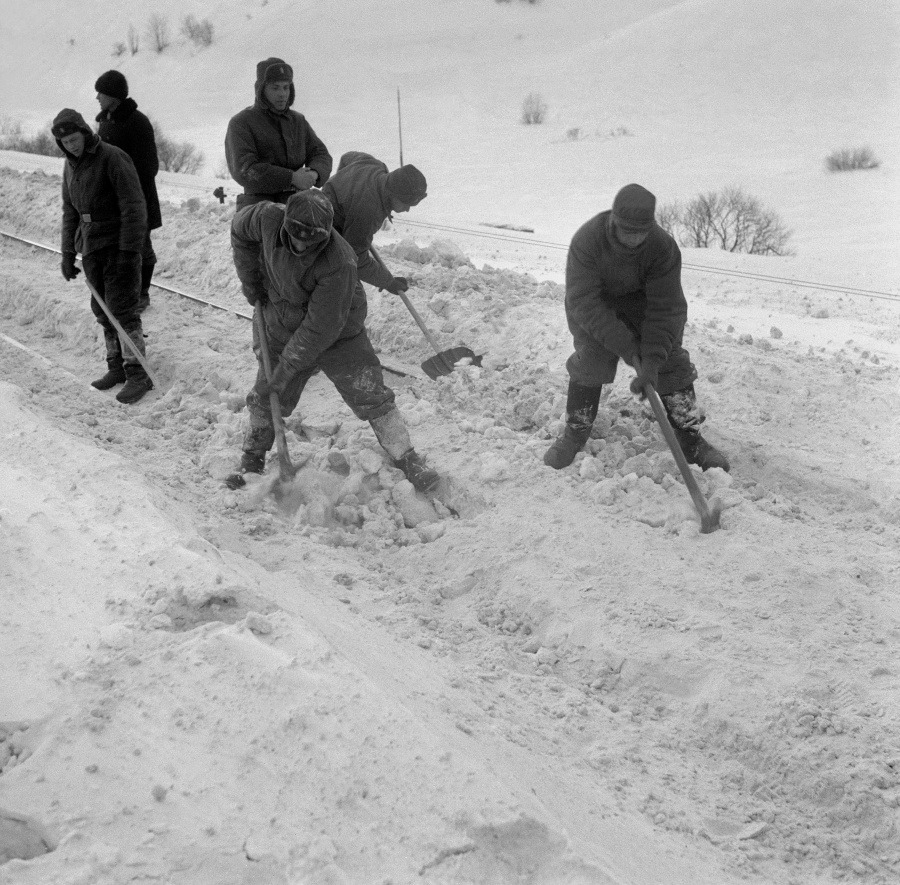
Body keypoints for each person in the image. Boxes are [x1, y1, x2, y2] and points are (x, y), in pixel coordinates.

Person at [227, 189, 440, 492]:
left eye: (311, 240)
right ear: (285, 221)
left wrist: (287, 367)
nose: (301, 245)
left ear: (326, 234)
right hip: (282, 319)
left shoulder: (340, 261)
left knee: (369, 390)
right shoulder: (266, 217)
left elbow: (320, 327)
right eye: (295, 235)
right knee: (266, 393)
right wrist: (251, 279)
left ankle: (406, 456)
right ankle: (253, 456)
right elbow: (239, 230)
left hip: (340, 333)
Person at [544, 183, 729, 472]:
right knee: (591, 360)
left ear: (650, 226)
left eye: (640, 232)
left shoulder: (662, 247)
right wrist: (629, 351)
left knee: (672, 361)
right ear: (614, 222)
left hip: (643, 306)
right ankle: (575, 433)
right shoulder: (587, 241)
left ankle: (691, 440)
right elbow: (584, 301)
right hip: (597, 308)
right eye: (627, 231)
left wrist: (652, 359)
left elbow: (667, 307)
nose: (633, 239)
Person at [53, 108, 153, 404]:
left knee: (122, 310)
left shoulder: (112, 157)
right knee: (102, 310)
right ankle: (117, 367)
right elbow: (69, 211)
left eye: (74, 139)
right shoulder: (71, 166)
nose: (71, 146)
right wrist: (68, 253)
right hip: (91, 248)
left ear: (84, 132)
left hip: (117, 246)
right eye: (65, 143)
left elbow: (134, 207)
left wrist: (128, 251)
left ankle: (139, 374)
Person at [94, 70, 161, 313]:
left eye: (101, 92)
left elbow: (149, 166)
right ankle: (124, 290)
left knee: (140, 245)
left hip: (136, 198)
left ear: (113, 95)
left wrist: (123, 181)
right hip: (112, 198)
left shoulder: (137, 122)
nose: (98, 97)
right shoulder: (105, 120)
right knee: (118, 245)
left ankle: (142, 293)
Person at [225, 58, 332, 209]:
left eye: (286, 87)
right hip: (258, 207)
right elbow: (245, 169)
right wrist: (292, 178)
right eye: (275, 88)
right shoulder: (241, 122)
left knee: (329, 228)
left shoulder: (298, 121)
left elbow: (320, 154)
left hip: (296, 203)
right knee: (273, 225)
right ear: (262, 89)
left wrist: (313, 174)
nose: (282, 94)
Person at [322, 151, 428, 298]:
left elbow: (347, 157)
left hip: (332, 211)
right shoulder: (368, 211)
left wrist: (339, 185)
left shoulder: (376, 166)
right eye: (406, 204)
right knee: (353, 300)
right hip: (325, 232)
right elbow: (355, 258)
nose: (407, 209)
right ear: (394, 194)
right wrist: (388, 282)